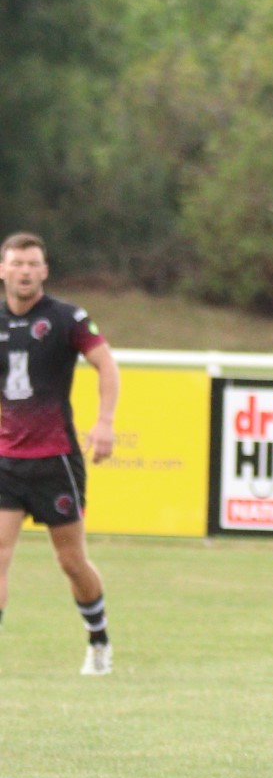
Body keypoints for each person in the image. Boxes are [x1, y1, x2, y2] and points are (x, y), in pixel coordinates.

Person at [0, 232, 119, 675]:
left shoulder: (67, 317)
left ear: (44, 271)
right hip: (6, 460)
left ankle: (99, 639)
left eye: (33, 264)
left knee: (71, 562)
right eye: (17, 263)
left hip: (55, 459)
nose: (25, 271)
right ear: (2, 270)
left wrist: (104, 422)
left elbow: (106, 364)